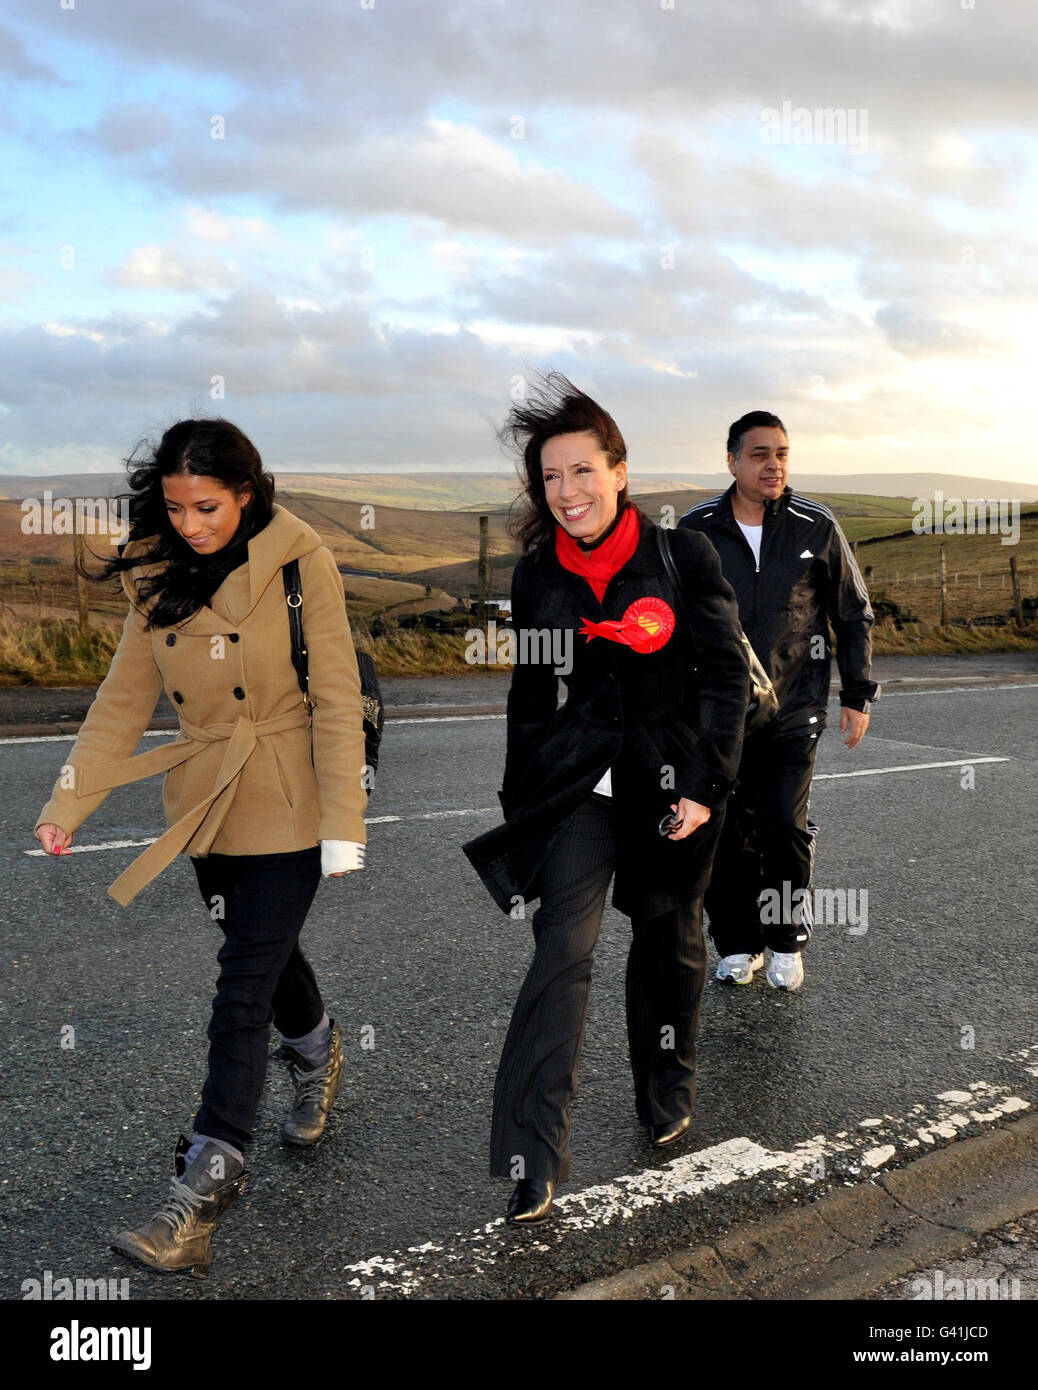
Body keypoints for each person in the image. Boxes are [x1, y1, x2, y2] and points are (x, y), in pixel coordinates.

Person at [33, 418, 369, 1276]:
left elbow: (334, 697)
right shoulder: (157, 575)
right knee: (262, 950)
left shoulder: (302, 563)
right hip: (207, 802)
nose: (190, 523)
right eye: (177, 507)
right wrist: (70, 801)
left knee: (240, 988)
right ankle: (321, 1049)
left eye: (208, 506)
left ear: (248, 493)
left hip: (291, 795)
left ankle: (200, 1192)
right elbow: (122, 697)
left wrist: (344, 825)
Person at [463, 374, 750, 1226]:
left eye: (582, 472)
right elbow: (528, 698)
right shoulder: (539, 575)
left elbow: (728, 678)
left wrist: (704, 788)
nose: (567, 492)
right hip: (578, 789)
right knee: (563, 951)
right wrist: (525, 806)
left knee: (669, 939)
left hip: (672, 782)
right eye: (550, 479)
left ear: (619, 472)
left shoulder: (680, 556)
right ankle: (533, 1152)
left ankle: (665, 1082)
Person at [679, 411, 878, 992]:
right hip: (718, 716)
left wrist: (858, 692)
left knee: (781, 826)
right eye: (761, 453)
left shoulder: (816, 525)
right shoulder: (696, 530)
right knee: (722, 829)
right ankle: (739, 944)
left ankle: (786, 939)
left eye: (783, 454)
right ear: (733, 460)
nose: (774, 465)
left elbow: (852, 611)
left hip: (794, 708)